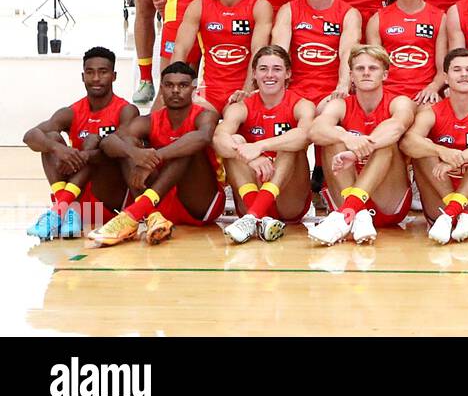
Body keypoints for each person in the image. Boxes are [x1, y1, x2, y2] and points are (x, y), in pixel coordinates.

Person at [88, 63, 224, 246]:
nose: (175, 90)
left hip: (199, 202)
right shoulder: (149, 120)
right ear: (161, 88)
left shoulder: (205, 115)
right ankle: (151, 216)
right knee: (127, 144)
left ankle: (134, 213)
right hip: (159, 200)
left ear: (194, 87)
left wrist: (155, 157)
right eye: (169, 85)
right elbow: (108, 141)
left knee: (188, 145)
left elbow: (203, 137)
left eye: (182, 85)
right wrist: (135, 154)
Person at [307, 46, 417, 245]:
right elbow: (315, 130)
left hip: (388, 200)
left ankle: (350, 210)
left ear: (385, 74)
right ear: (350, 75)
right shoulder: (340, 104)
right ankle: (358, 213)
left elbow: (397, 127)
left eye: (373, 68)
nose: (366, 72)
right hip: (346, 190)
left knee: (386, 144)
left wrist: (358, 151)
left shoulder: (399, 102)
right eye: (360, 68)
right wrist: (347, 137)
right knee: (332, 138)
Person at [25, 47, 137, 241]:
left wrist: (82, 155)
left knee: (95, 142)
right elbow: (30, 136)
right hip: (77, 198)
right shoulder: (72, 111)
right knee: (50, 138)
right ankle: (65, 209)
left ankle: (60, 208)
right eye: (90, 72)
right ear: (83, 76)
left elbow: (115, 150)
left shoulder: (126, 110)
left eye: (103, 72)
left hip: (110, 196)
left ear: (114, 76)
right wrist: (57, 148)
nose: (95, 78)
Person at [400, 48, 468, 244]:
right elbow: (407, 142)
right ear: (446, 78)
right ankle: (454, 210)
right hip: (439, 203)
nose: (464, 74)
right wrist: (440, 150)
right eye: (457, 70)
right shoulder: (431, 112)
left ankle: (454, 211)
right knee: (422, 147)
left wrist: (457, 159)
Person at [211, 45, 315, 243]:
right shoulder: (241, 106)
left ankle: (254, 216)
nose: (270, 75)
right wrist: (248, 156)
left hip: (289, 199)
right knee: (235, 141)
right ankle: (256, 218)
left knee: (290, 142)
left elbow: (305, 136)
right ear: (254, 74)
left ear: (288, 74)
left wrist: (260, 147)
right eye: (263, 69)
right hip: (251, 190)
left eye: (277, 69)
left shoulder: (302, 104)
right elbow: (218, 138)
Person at [168, 0, 273, 111]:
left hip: (242, 90)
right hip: (208, 92)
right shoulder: (198, 6)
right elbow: (180, 50)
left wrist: (247, 90)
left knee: (232, 120)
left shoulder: (259, 6)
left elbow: (258, 51)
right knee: (188, 121)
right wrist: (175, 88)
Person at [271, 0, 363, 105]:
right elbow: (278, 54)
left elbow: (348, 54)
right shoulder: (288, 10)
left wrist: (343, 85)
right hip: (294, 94)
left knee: (327, 114)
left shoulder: (349, 14)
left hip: (331, 94)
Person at [367, 0, 448, 104]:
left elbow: (442, 70)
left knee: (428, 114)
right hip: (390, 97)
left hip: (425, 96)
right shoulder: (377, 20)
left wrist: (433, 87)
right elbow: (373, 68)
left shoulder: (439, 18)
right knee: (402, 111)